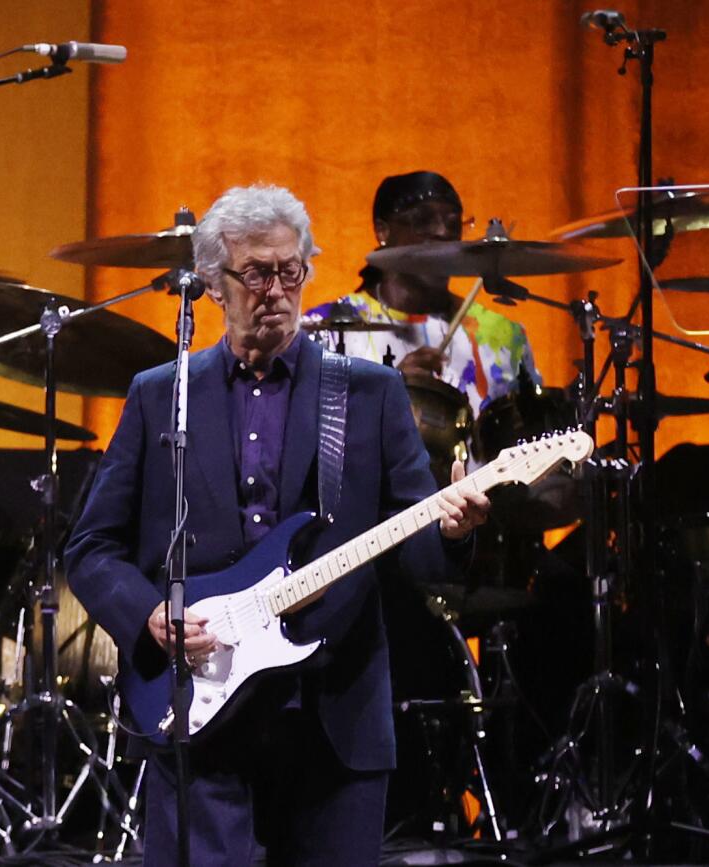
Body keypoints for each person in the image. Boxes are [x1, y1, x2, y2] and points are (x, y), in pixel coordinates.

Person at [65, 184, 490, 866]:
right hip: (199, 717)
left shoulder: (366, 393)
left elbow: (420, 556)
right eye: (255, 273)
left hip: (333, 722)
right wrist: (148, 614)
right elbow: (90, 546)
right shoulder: (159, 395)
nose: (275, 289)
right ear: (211, 283)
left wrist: (454, 529)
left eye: (290, 271)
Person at [304, 170, 542, 420]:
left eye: (453, 223)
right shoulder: (324, 333)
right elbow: (303, 438)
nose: (442, 232)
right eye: (423, 220)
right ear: (382, 231)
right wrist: (391, 389)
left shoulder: (503, 336)